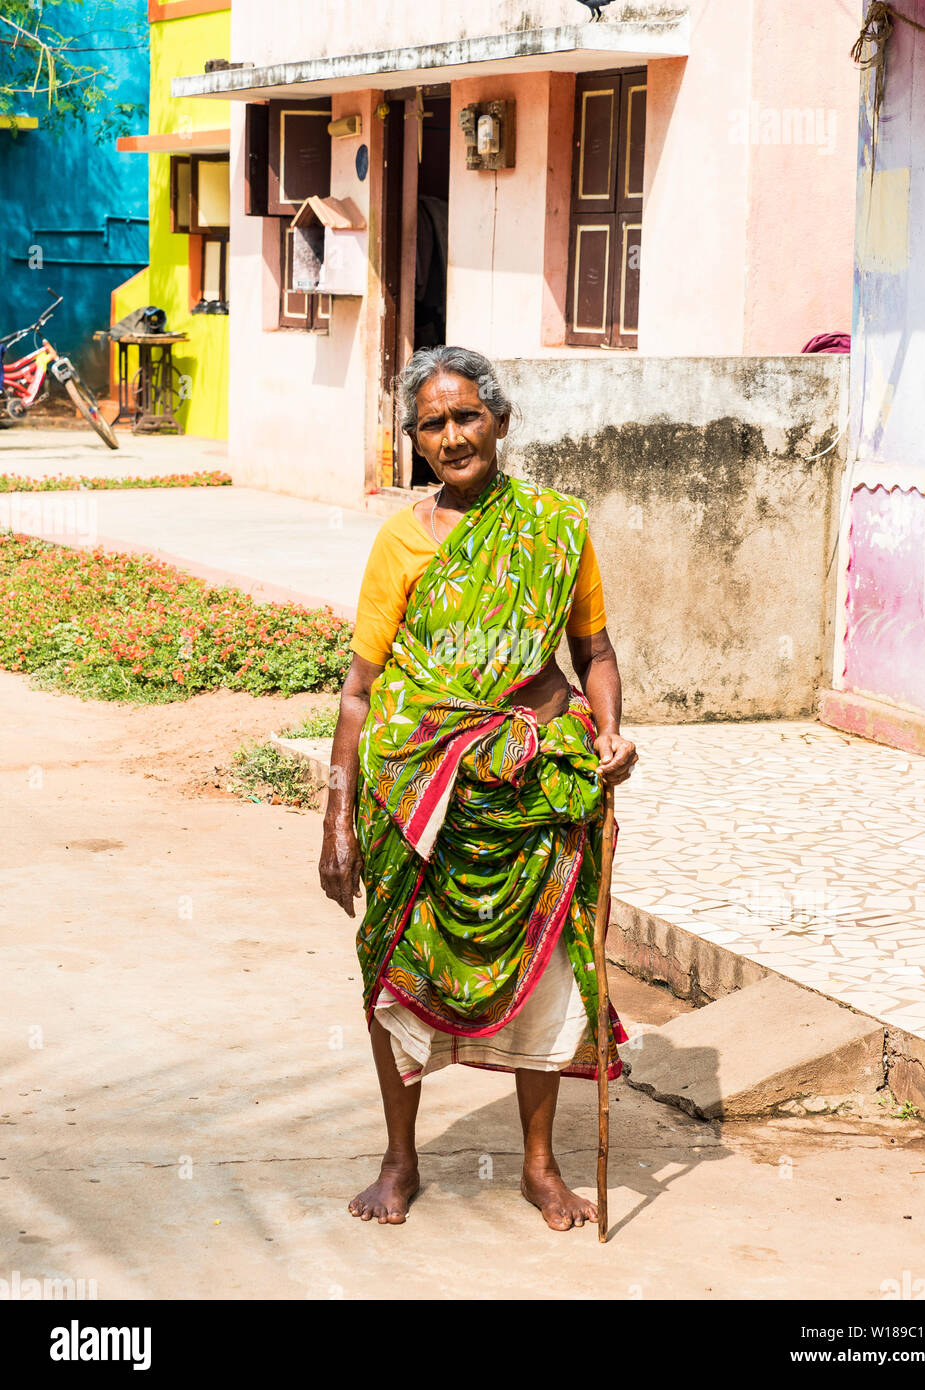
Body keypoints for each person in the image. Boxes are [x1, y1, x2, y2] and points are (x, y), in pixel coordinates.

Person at [319, 346, 638, 1231]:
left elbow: (594, 653)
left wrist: (607, 732)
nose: (452, 436)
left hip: (533, 783)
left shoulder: (554, 525)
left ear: (499, 419)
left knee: (548, 974)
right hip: (417, 793)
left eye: (466, 416)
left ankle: (539, 1166)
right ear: (415, 442)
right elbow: (358, 691)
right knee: (395, 969)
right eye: (432, 423)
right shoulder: (401, 540)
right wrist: (336, 818)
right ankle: (399, 1159)